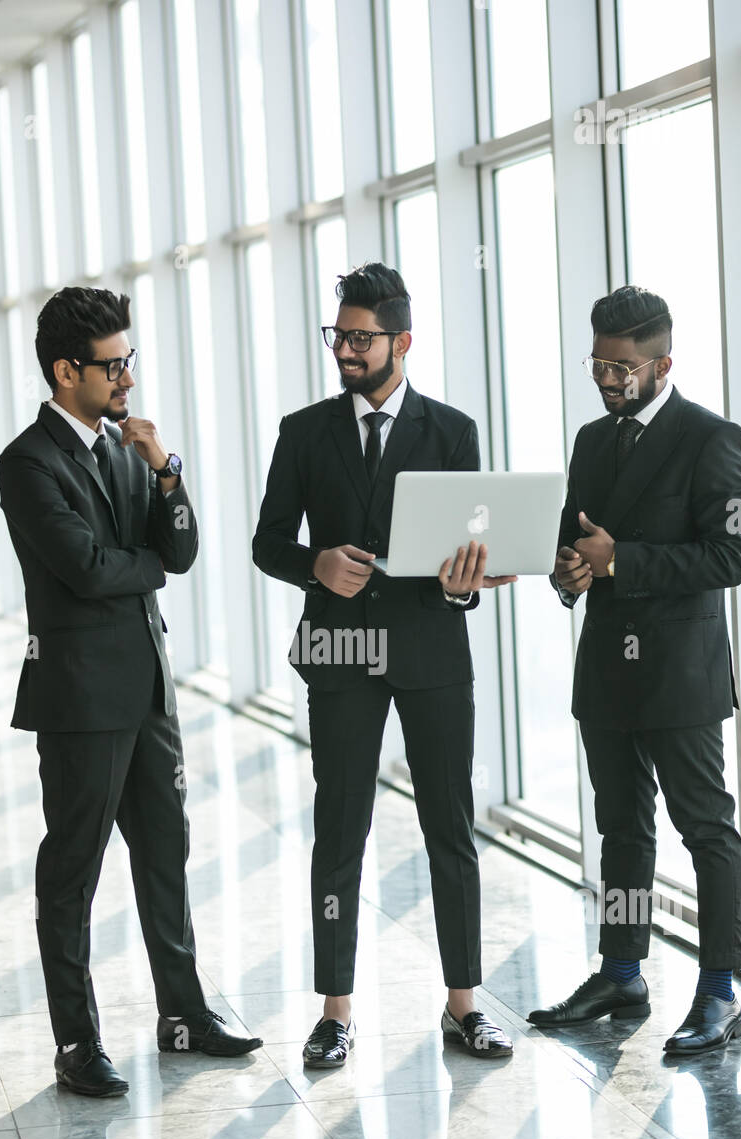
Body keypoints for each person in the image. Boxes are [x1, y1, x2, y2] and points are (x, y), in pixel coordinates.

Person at [0, 286, 261, 1097]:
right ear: (64, 370)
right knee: (72, 871)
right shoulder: (27, 462)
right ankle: (77, 1042)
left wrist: (166, 473)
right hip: (78, 701)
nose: (128, 382)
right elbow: (85, 569)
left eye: (129, 362)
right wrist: (142, 569)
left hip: (147, 690)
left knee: (166, 856)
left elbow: (176, 554)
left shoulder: (125, 448)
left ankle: (182, 1015)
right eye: (113, 368)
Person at [252, 262, 515, 1068]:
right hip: (339, 651)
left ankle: (464, 1005)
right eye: (338, 335)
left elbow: (467, 553)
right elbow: (268, 542)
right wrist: (314, 566)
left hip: (431, 647)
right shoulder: (304, 431)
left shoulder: (453, 430)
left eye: (360, 337)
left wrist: (467, 586)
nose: (345, 350)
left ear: (402, 341)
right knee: (340, 831)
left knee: (450, 829)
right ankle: (336, 1011)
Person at [529, 286, 741, 1056]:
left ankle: (720, 990)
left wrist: (619, 559)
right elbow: (571, 548)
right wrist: (568, 572)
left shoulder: (713, 437)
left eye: (623, 367)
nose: (608, 379)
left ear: (663, 362)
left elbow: (731, 558)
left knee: (706, 828)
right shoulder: (592, 441)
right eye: (598, 364)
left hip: (680, 672)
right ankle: (622, 971)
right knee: (619, 827)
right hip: (608, 670)